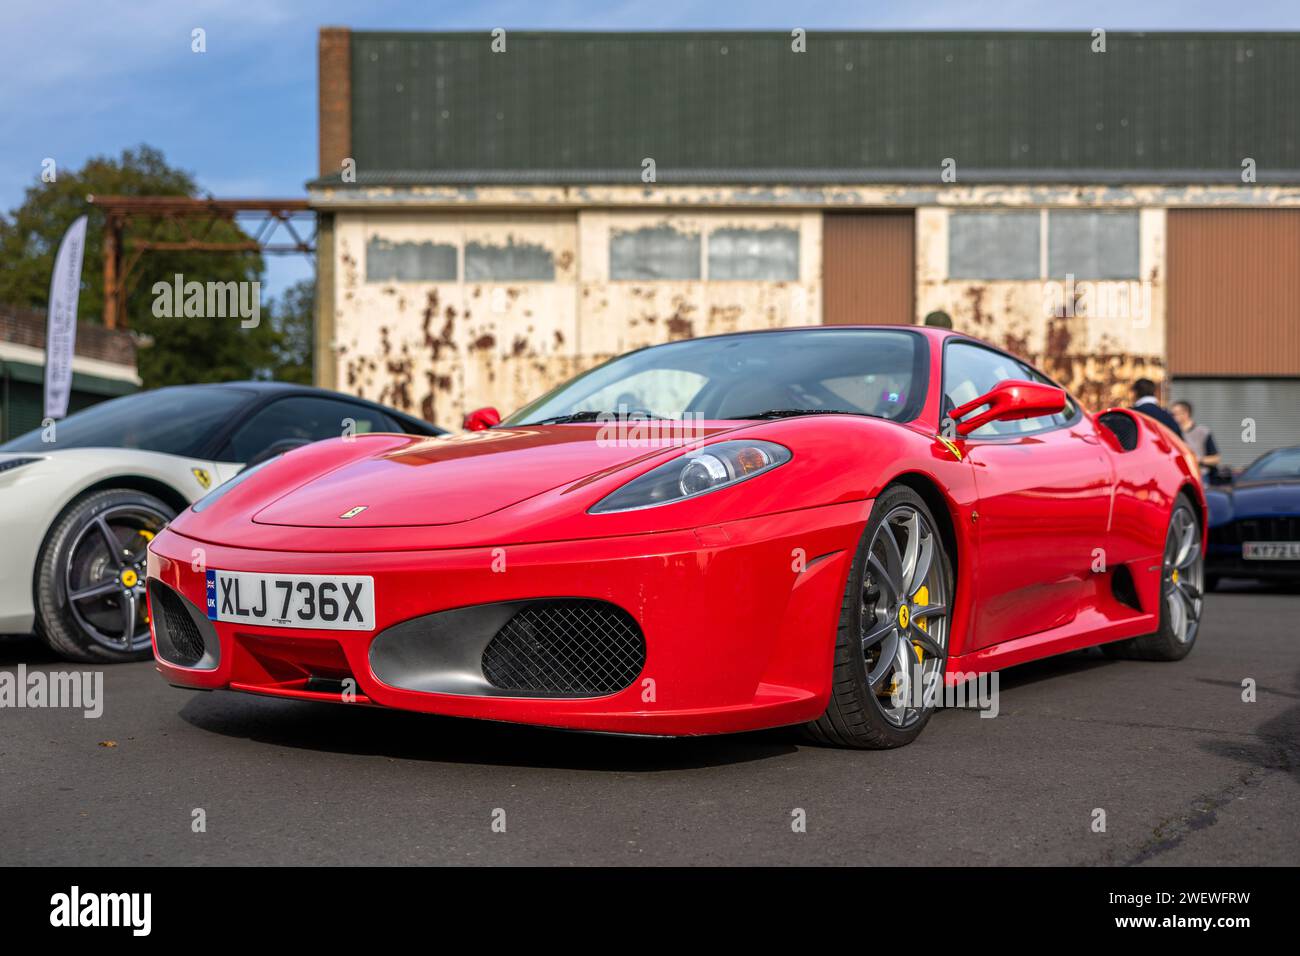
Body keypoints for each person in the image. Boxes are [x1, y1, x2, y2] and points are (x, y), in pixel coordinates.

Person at [1172, 400, 1221, 472]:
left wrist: (1197, 460)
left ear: (1186, 413)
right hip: (1179, 474)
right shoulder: (1172, 433)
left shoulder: (1202, 432)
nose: (1172, 417)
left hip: (1200, 474)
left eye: (1175, 414)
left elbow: (1216, 459)